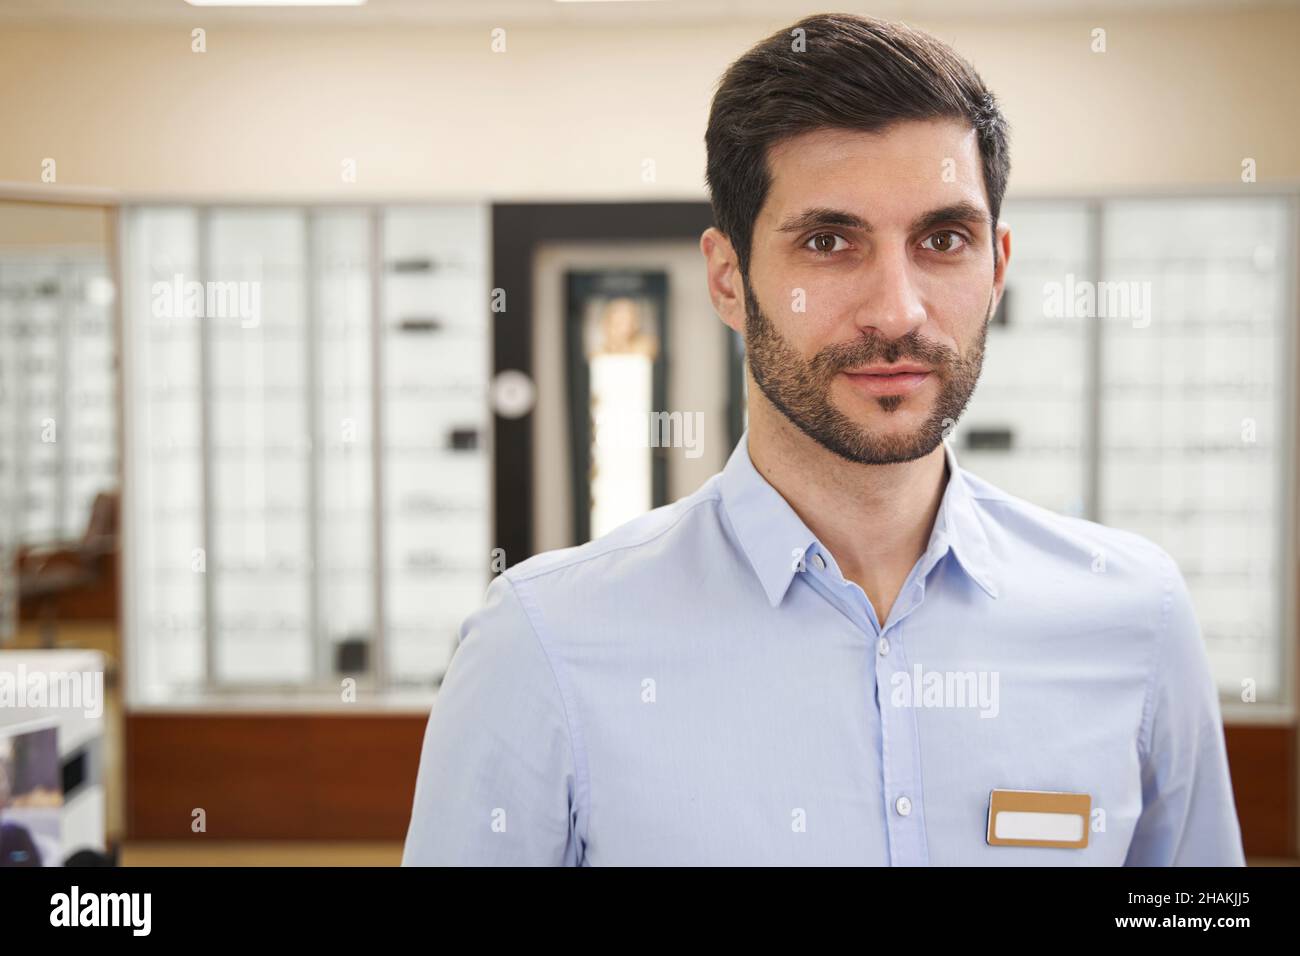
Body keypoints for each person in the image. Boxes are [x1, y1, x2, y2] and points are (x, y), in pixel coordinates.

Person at [403, 13, 1244, 866]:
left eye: (943, 239)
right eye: (829, 241)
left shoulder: (1136, 618)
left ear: (996, 269)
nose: (897, 311)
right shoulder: (540, 646)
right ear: (729, 280)